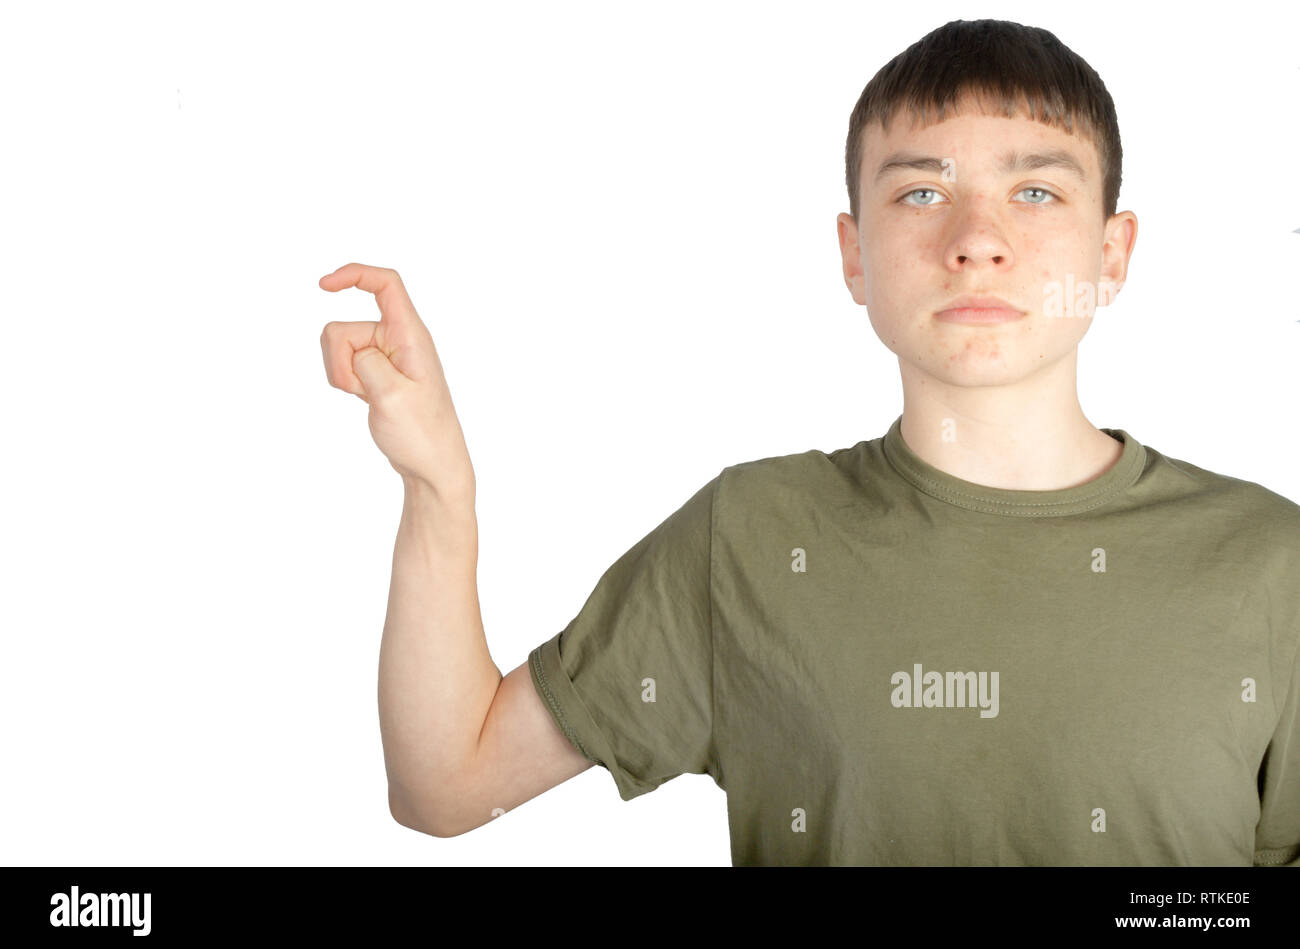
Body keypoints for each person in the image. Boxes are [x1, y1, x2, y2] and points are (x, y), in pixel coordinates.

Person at [318, 18, 1300, 865]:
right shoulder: (747, 536)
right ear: (853, 255)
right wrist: (438, 485)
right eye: (920, 192)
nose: (974, 236)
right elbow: (448, 785)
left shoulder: (1269, 562)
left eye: (1035, 192)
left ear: (1111, 252)